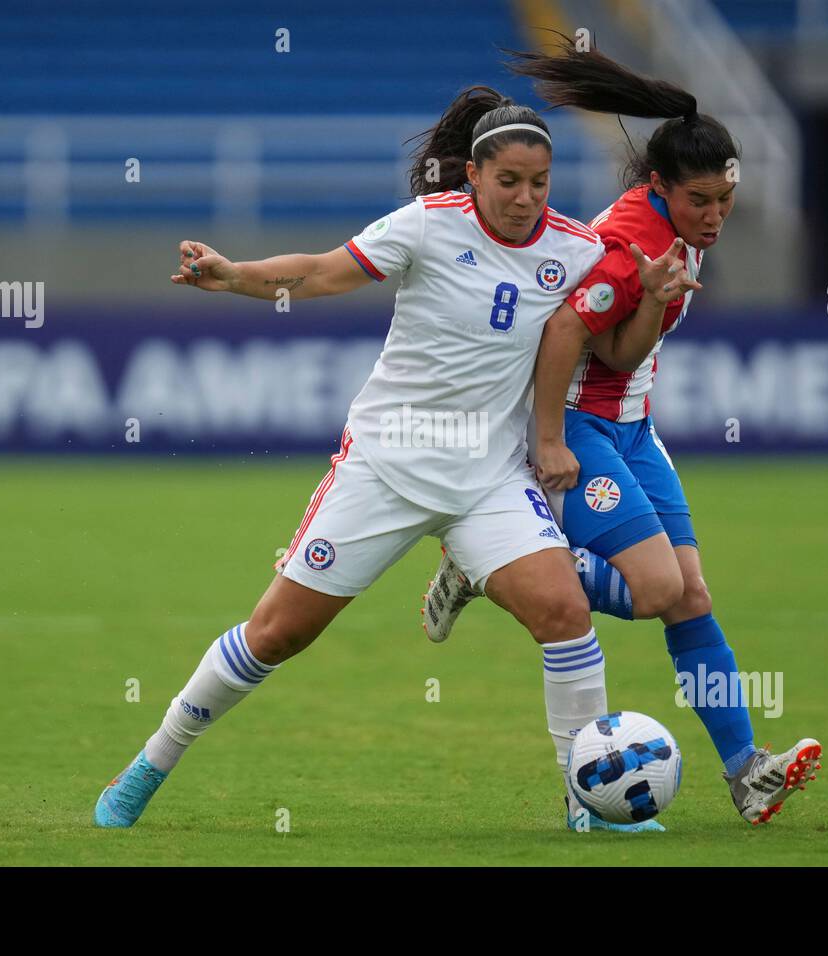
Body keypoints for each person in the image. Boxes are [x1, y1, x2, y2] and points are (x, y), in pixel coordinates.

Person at [94, 86, 697, 832]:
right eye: (507, 182)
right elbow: (319, 272)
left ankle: (588, 807)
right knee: (277, 633)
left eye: (538, 183)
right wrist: (235, 275)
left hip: (489, 479)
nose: (524, 198)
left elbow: (610, 352)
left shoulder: (573, 249)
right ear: (473, 176)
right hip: (386, 468)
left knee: (565, 614)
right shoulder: (427, 225)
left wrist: (651, 303)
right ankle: (149, 764)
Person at [421, 41, 822, 826]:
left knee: (692, 594)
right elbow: (571, 334)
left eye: (725, 201)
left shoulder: (669, 240)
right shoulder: (626, 251)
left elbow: (624, 349)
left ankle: (747, 771)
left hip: (633, 425)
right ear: (660, 187)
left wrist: (648, 308)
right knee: (657, 589)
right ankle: (486, 560)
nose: (713, 216)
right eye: (698, 200)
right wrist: (548, 443)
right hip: (582, 423)